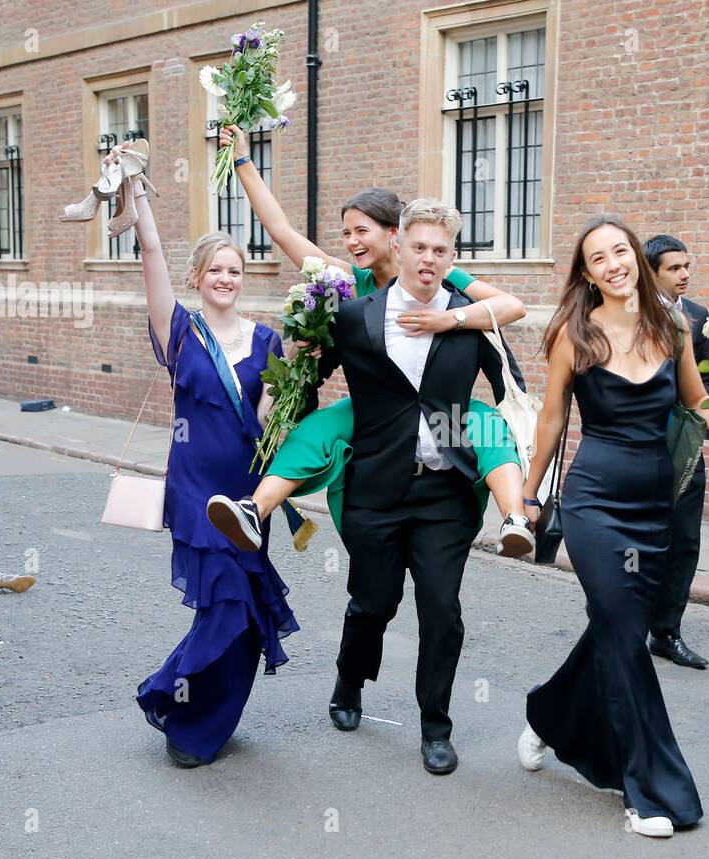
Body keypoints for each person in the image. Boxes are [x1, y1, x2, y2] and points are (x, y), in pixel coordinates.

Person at [517, 216, 709, 837]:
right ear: (586, 272)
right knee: (627, 638)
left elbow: (696, 405)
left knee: (616, 627)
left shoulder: (672, 324)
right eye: (597, 258)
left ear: (635, 257)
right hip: (595, 504)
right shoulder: (574, 334)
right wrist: (527, 495)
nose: (612, 264)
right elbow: (550, 421)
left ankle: (548, 715)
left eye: (619, 251)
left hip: (656, 505)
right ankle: (648, 791)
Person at [204, 125, 534, 558]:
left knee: (489, 430)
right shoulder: (349, 284)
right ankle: (254, 509)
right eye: (346, 234)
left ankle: (515, 520)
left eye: (361, 231)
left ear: (393, 232)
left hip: (441, 404)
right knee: (316, 430)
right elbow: (282, 231)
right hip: (378, 412)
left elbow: (512, 307)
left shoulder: (435, 269)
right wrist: (244, 160)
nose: (351, 242)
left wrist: (447, 319)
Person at [306, 198, 514, 776]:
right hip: (375, 486)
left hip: (443, 493)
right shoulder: (356, 316)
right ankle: (350, 683)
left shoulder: (471, 320)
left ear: (452, 258)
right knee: (374, 603)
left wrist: (525, 471)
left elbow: (509, 394)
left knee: (442, 610)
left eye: (440, 251)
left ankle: (435, 728)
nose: (428, 259)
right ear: (397, 248)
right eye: (419, 247)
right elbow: (310, 377)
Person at [117, 140, 299, 767]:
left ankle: (207, 721)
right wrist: (136, 194)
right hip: (197, 492)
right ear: (197, 278)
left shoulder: (269, 338)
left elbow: (270, 419)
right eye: (215, 269)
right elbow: (150, 251)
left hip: (248, 495)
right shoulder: (177, 331)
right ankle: (173, 698)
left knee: (246, 619)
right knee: (223, 602)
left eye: (235, 270)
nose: (225, 278)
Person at [643, 234, 709, 670]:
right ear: (652, 271)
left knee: (685, 542)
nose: (685, 275)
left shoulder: (696, 316)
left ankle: (667, 631)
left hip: (687, 447)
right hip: (642, 447)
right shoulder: (633, 314)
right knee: (642, 540)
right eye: (675, 268)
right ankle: (625, 625)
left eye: (687, 266)